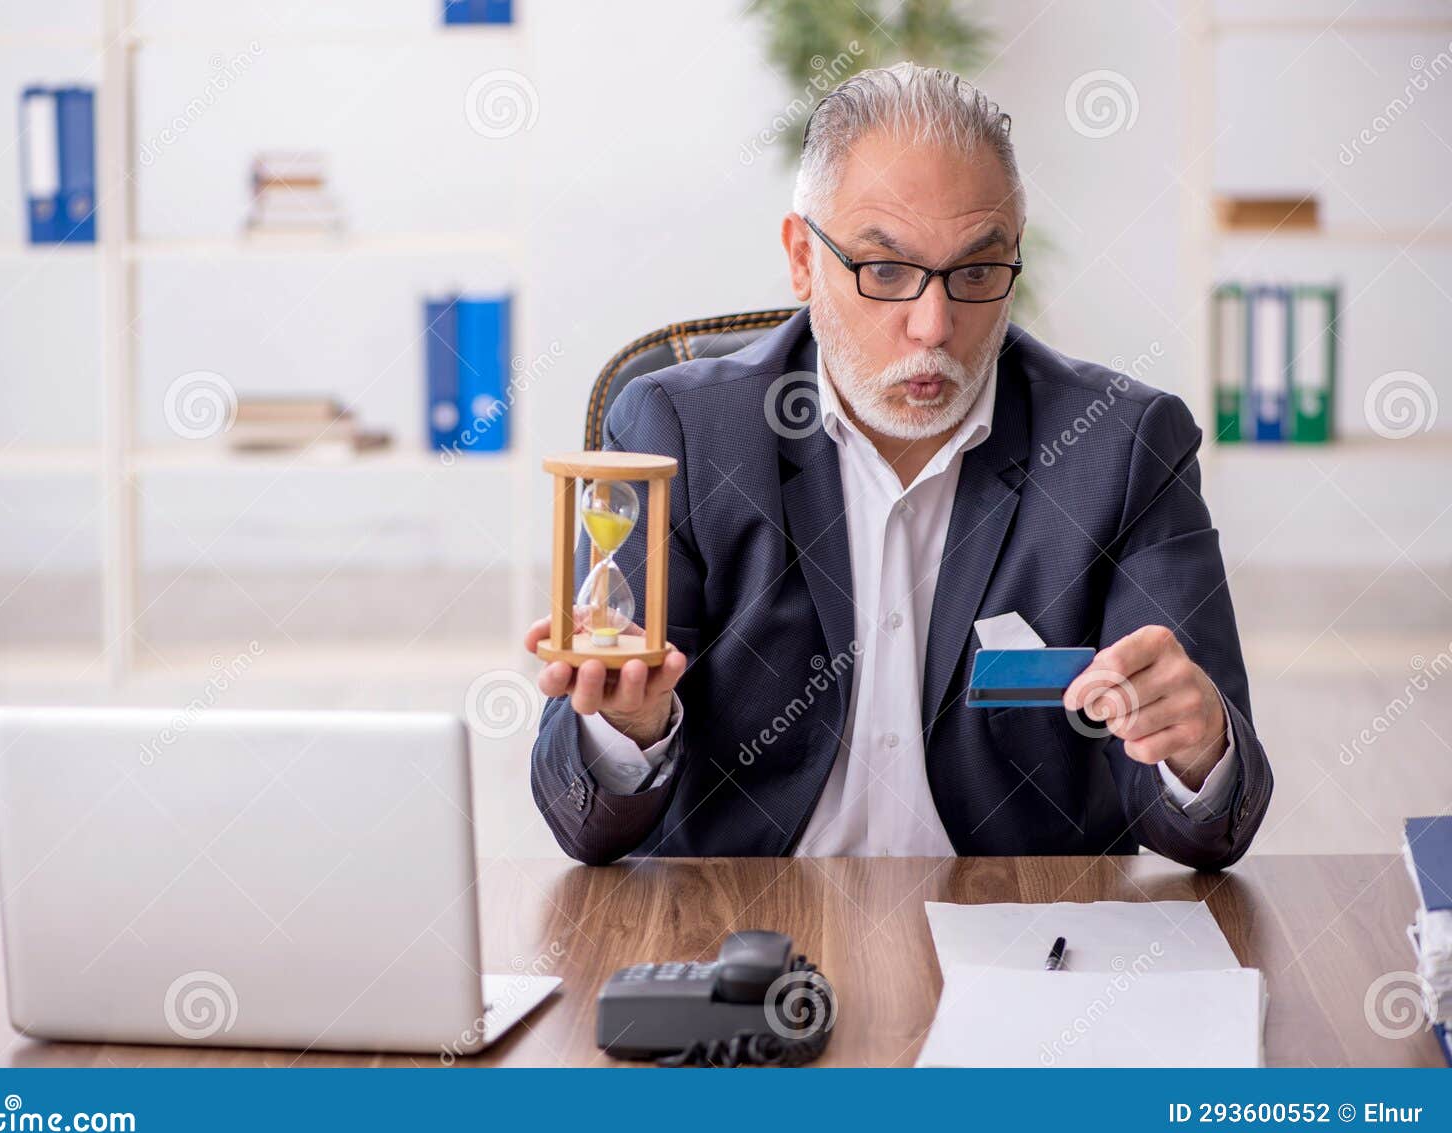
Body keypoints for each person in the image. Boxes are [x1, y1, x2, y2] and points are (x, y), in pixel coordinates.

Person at [526, 63, 1271, 869]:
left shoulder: (1123, 445)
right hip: (745, 934)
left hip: (1024, 944)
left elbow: (1215, 826)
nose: (933, 324)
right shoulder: (679, 431)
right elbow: (583, 827)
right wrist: (628, 730)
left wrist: (1198, 750)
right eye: (885, 271)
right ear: (803, 259)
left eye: (978, 272)